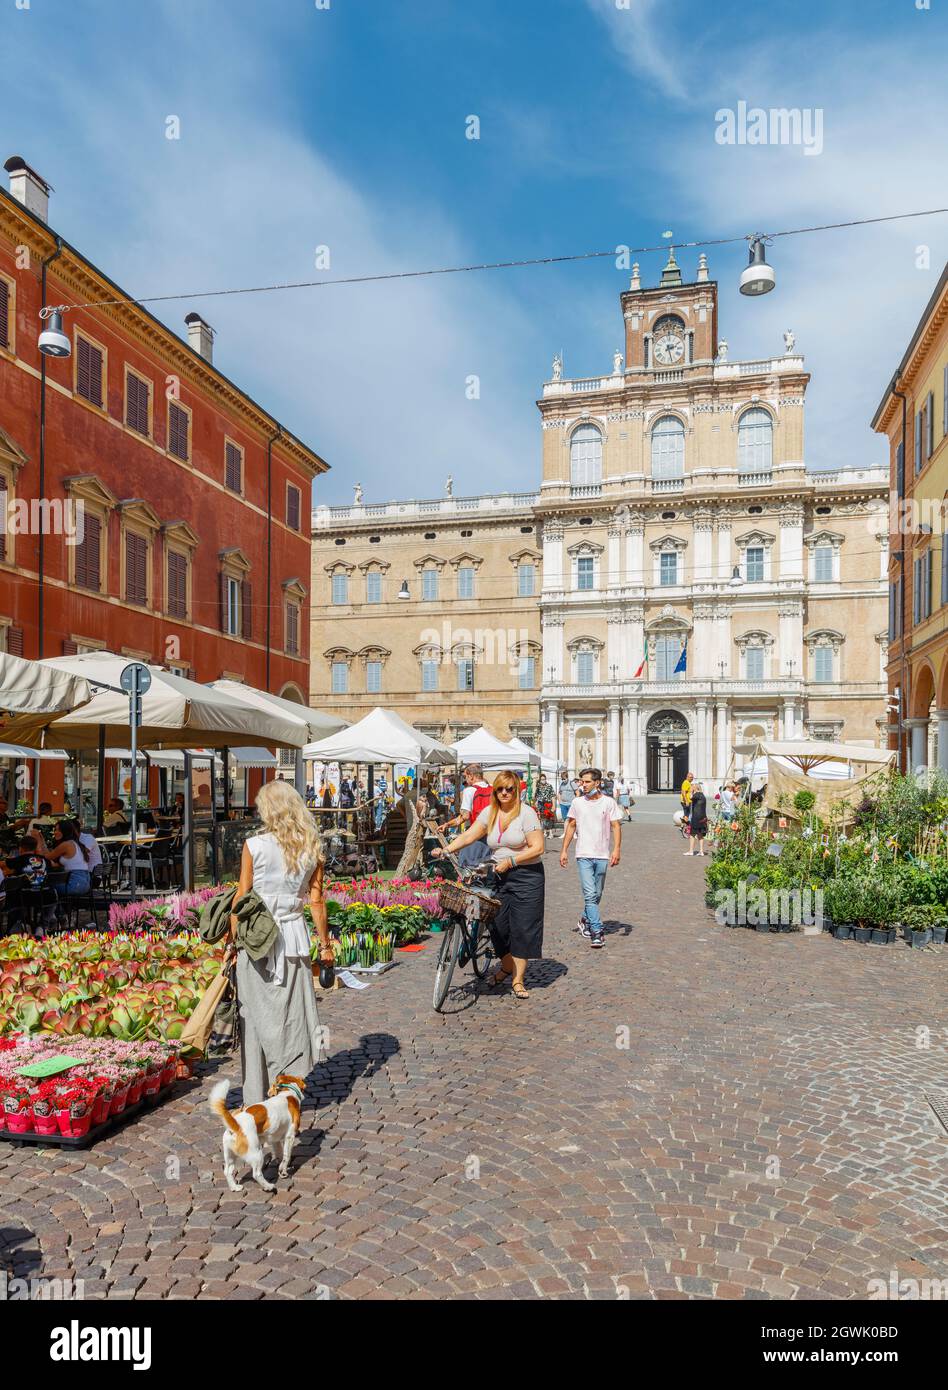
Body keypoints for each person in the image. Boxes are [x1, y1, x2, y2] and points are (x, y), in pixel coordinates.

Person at [228, 780, 332, 1106]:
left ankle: (256, 1097)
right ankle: (288, 1090)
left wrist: (231, 944)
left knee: (255, 1018)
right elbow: (317, 902)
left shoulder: (254, 846)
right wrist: (326, 945)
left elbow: (241, 897)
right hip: (294, 941)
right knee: (294, 1019)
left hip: (258, 940)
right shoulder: (312, 848)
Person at [434, 771, 545, 1000]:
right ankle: (505, 966)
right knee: (497, 924)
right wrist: (447, 850)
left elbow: (538, 847)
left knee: (522, 928)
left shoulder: (527, 813)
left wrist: (512, 860)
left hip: (526, 875)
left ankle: (517, 979)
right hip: (498, 873)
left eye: (509, 789)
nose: (504, 793)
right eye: (500, 789)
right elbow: (469, 836)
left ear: (516, 791)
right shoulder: (490, 812)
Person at [559, 767, 622, 950]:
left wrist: (616, 850)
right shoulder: (577, 803)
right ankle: (597, 932)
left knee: (597, 894)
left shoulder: (609, 803)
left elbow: (616, 826)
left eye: (586, 782)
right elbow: (571, 826)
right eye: (581, 781)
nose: (583, 785)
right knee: (589, 894)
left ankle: (585, 919)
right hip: (583, 855)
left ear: (597, 782)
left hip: (602, 854)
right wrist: (564, 850)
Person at [43, 820, 92, 903]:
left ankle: (53, 914)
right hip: (85, 884)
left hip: (75, 884)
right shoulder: (76, 843)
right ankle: (60, 912)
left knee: (44, 887)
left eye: (58, 830)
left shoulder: (66, 845)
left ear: (65, 831)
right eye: (55, 830)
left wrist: (40, 841)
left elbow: (46, 857)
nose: (55, 832)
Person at [685, 781, 708, 856]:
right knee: (700, 834)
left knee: (692, 834)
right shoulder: (702, 795)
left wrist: (691, 792)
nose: (691, 787)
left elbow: (690, 797)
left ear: (696, 788)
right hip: (703, 817)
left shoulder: (697, 794)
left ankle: (691, 851)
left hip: (696, 817)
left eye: (692, 786)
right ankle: (701, 851)